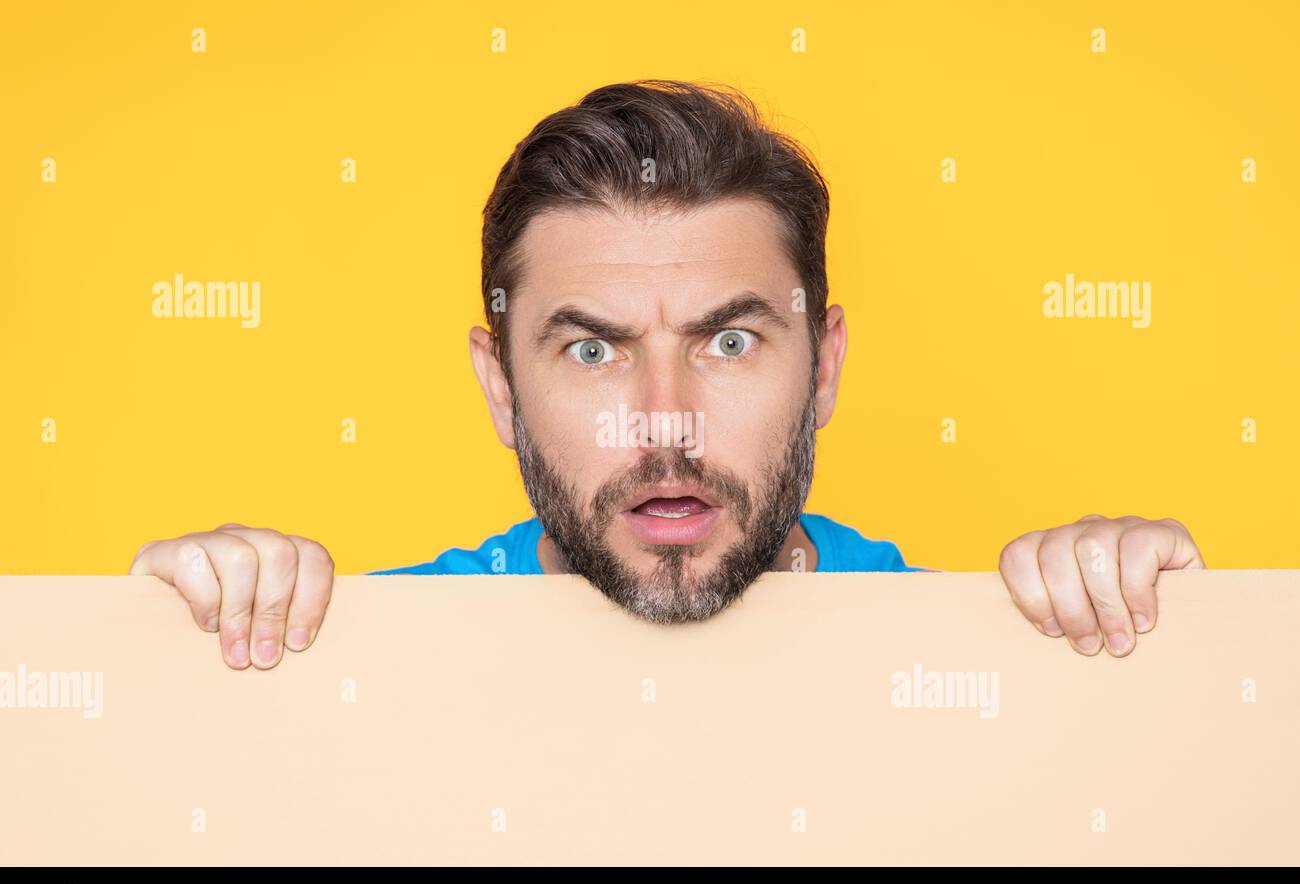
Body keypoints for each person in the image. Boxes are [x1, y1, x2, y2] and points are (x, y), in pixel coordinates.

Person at [129, 80, 1206, 670]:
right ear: (499, 385)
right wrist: (165, 650)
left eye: (728, 342)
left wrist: (1130, 630)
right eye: (591, 349)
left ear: (824, 365)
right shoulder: (359, 657)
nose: (666, 424)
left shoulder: (964, 663)